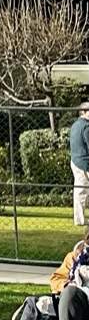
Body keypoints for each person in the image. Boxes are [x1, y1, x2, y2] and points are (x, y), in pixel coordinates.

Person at [52, 231, 89, 320]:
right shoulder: (75, 256)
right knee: (70, 291)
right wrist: (69, 285)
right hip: (82, 305)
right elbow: (56, 279)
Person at [69, 97, 89, 231]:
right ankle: (80, 219)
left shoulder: (75, 125)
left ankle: (79, 217)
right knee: (82, 191)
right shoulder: (86, 126)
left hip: (75, 160)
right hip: (84, 162)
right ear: (85, 112)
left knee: (79, 190)